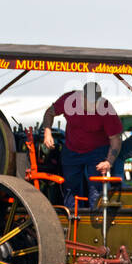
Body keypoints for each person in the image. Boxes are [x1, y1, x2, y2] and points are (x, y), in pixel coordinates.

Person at [41, 82, 123, 211]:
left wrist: (109, 162)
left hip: (97, 151)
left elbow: (116, 139)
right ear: (81, 97)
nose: (93, 106)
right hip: (72, 149)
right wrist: (47, 132)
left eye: (95, 103)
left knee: (96, 189)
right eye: (89, 103)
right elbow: (49, 112)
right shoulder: (69, 100)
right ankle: (72, 220)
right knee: (70, 188)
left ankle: (96, 219)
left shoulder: (106, 108)